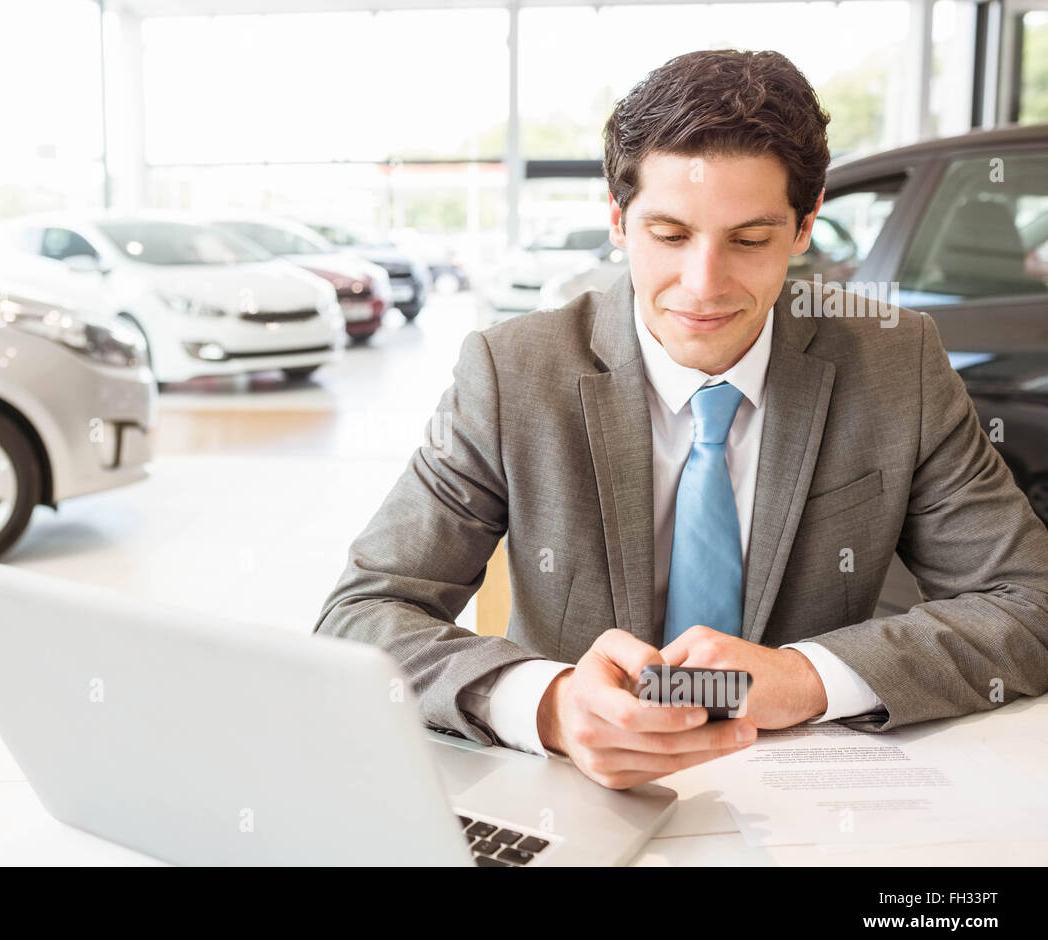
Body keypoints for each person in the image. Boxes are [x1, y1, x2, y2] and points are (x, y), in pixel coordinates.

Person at [314, 49, 1048, 791]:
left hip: (813, 788)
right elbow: (364, 613)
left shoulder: (897, 363)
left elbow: (1030, 604)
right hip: (577, 790)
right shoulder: (512, 373)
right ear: (617, 219)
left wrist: (804, 677)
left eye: (750, 240)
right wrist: (549, 704)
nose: (703, 285)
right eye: (669, 235)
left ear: (804, 227)